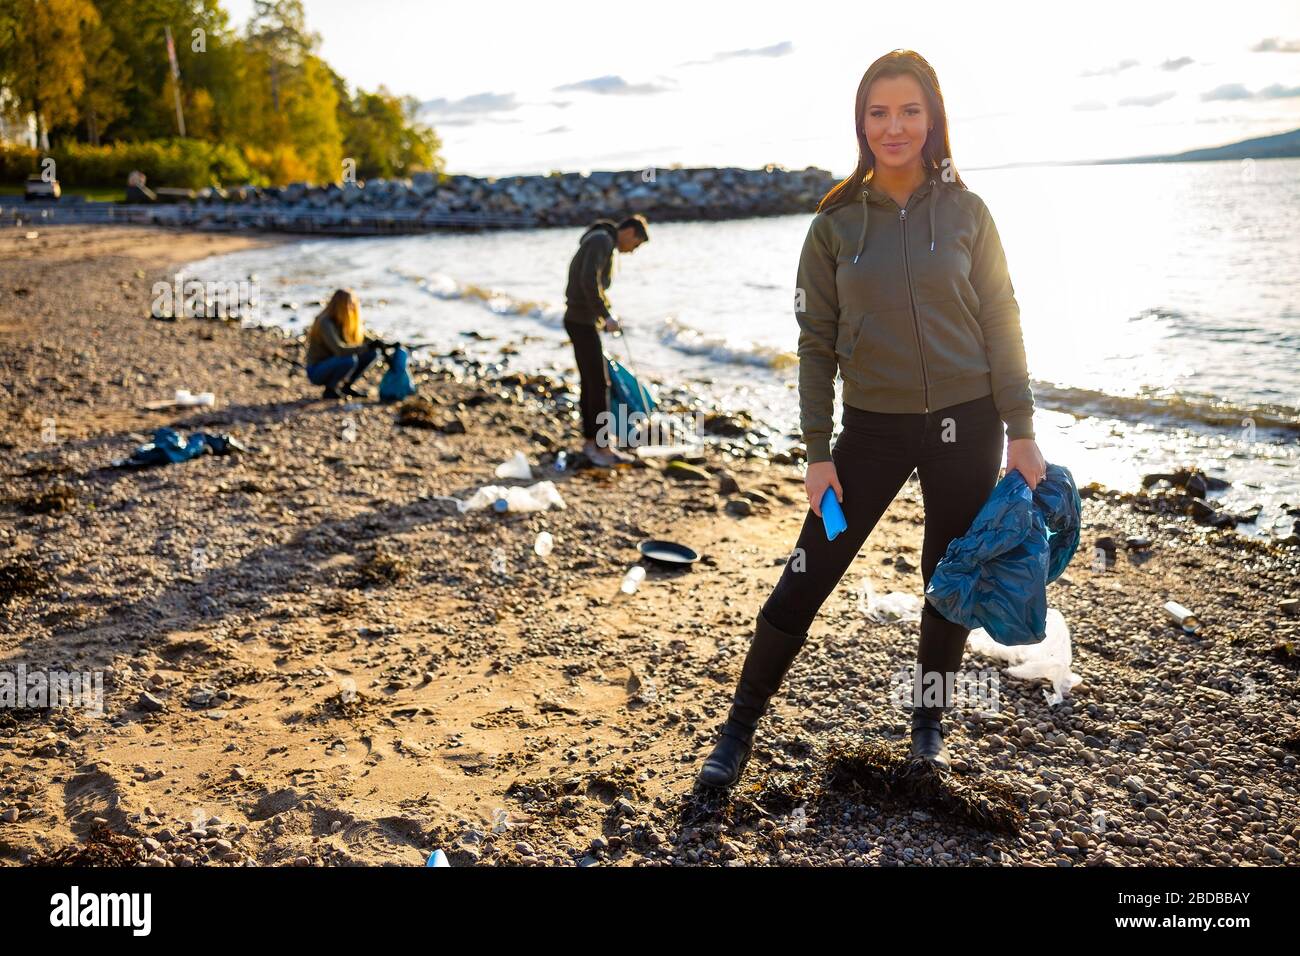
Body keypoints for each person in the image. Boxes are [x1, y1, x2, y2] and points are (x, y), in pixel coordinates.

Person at [697, 50, 1048, 789]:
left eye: (910, 111)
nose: (895, 127)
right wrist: (817, 451)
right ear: (860, 121)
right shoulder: (833, 223)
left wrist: (1021, 428)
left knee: (945, 580)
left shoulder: (967, 212)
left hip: (969, 424)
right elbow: (815, 342)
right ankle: (736, 732)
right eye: (879, 111)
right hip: (869, 432)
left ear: (934, 117)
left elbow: (1003, 319)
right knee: (808, 571)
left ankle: (927, 729)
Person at [562, 214, 650, 466]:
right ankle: (599, 448)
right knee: (599, 384)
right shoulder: (601, 240)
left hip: (581, 321)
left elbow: (591, 284)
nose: (632, 251)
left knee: (593, 383)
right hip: (582, 321)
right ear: (630, 232)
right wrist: (605, 315)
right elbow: (588, 281)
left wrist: (605, 314)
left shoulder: (600, 239)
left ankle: (593, 443)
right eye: (636, 245)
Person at [304, 289, 385, 399]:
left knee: (372, 353)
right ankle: (330, 389)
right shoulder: (325, 322)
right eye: (349, 304)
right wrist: (366, 347)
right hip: (317, 371)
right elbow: (340, 350)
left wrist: (379, 344)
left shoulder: (343, 320)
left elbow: (362, 338)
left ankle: (347, 386)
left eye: (353, 304)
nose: (352, 308)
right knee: (349, 360)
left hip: (333, 362)